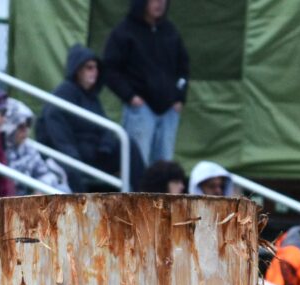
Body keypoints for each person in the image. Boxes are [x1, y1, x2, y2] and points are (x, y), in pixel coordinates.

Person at [37, 44, 142, 193]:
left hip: (95, 154)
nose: (95, 72)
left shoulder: (92, 97)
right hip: (73, 158)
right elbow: (58, 134)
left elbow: (106, 127)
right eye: (89, 68)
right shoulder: (63, 95)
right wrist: (74, 157)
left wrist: (105, 147)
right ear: (77, 69)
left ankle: (142, 195)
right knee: (72, 168)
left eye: (96, 68)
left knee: (128, 145)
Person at [102, 0, 189, 165]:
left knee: (164, 166)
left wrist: (179, 97)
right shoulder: (124, 31)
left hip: (169, 110)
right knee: (137, 163)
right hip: (141, 110)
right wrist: (131, 97)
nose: (160, 4)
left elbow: (183, 68)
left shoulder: (170, 31)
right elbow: (110, 69)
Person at [0, 98, 70, 194]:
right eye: (21, 126)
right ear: (9, 126)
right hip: (7, 198)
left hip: (29, 197)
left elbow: (44, 173)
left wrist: (40, 189)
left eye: (28, 124)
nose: (26, 131)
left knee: (62, 189)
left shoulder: (27, 148)